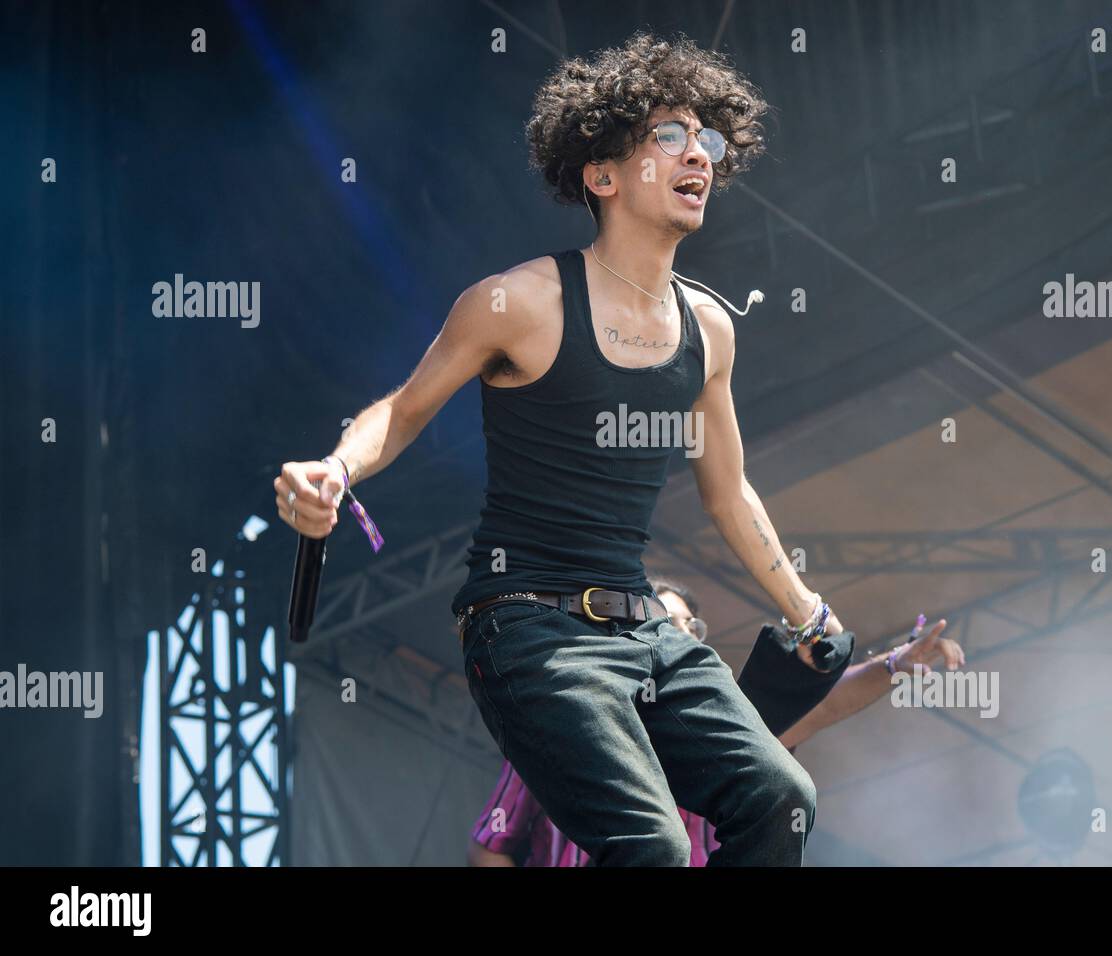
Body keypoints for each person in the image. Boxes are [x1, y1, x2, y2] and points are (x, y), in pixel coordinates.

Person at [272, 32, 950, 866]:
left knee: (783, 798)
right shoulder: (514, 304)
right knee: (653, 849)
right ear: (602, 175)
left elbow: (728, 492)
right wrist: (336, 470)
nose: (698, 153)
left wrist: (806, 607)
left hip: (645, 633)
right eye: (670, 135)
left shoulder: (710, 330)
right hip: (524, 629)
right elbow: (403, 411)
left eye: (708, 140)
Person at [467, 578, 962, 866]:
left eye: (689, 627)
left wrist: (894, 663)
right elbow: (492, 845)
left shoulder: (717, 730)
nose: (679, 634)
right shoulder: (566, 723)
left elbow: (820, 707)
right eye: (665, 622)